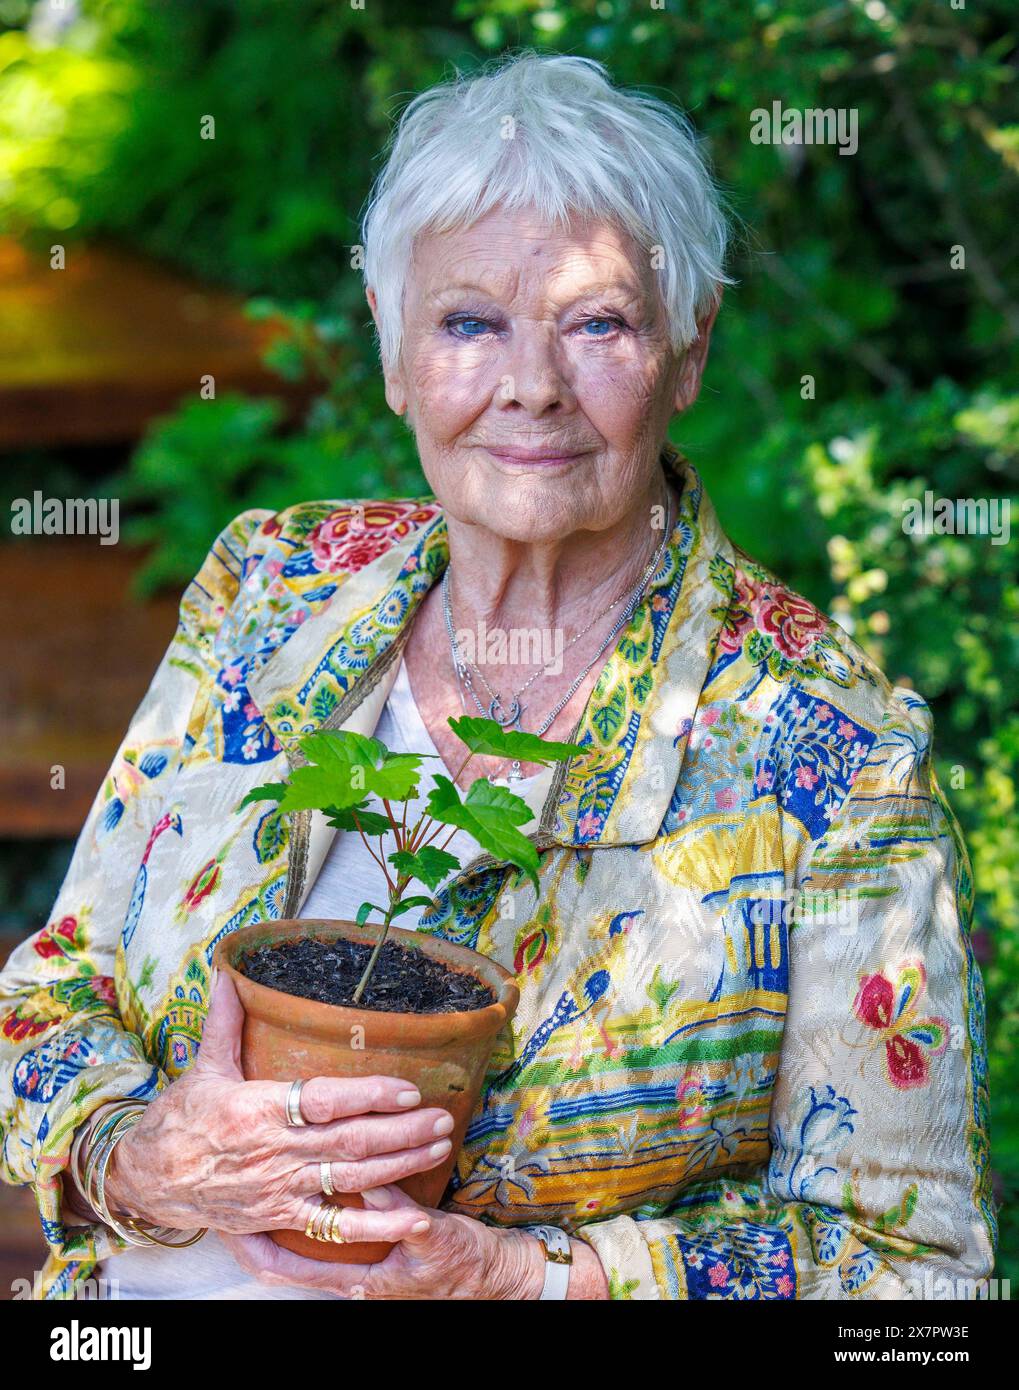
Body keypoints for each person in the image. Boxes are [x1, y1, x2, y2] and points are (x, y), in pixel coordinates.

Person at [0, 52, 994, 1300]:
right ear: (394, 354)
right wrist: (142, 1161)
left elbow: (922, 1282)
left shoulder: (829, 753)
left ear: (686, 357)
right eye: (469, 322)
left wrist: (533, 1281)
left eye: (597, 324)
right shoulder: (273, 587)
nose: (530, 385)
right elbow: (56, 985)